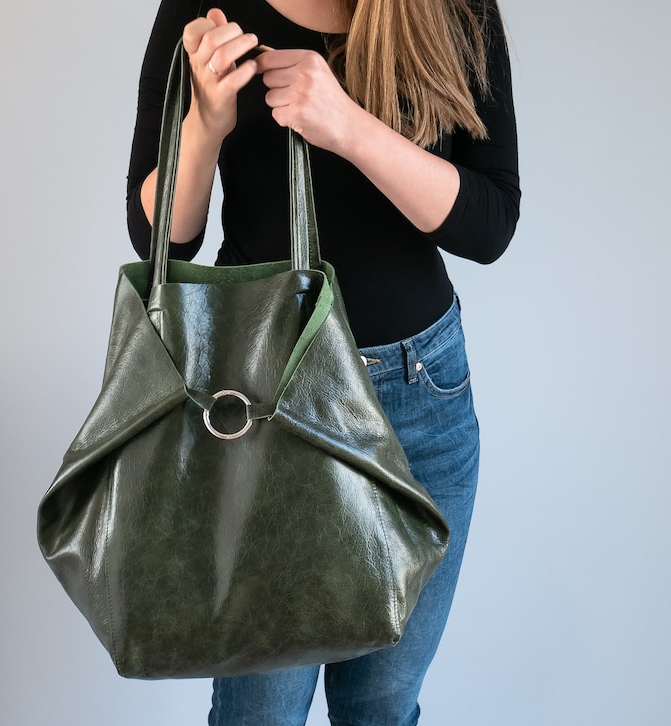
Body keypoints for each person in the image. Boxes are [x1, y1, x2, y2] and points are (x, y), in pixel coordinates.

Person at [127, 0, 520, 723]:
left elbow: (490, 223)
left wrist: (348, 127)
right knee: (260, 711)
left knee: (383, 704)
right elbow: (161, 237)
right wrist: (205, 124)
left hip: (421, 401)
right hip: (263, 405)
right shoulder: (206, 4)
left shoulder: (450, 8)